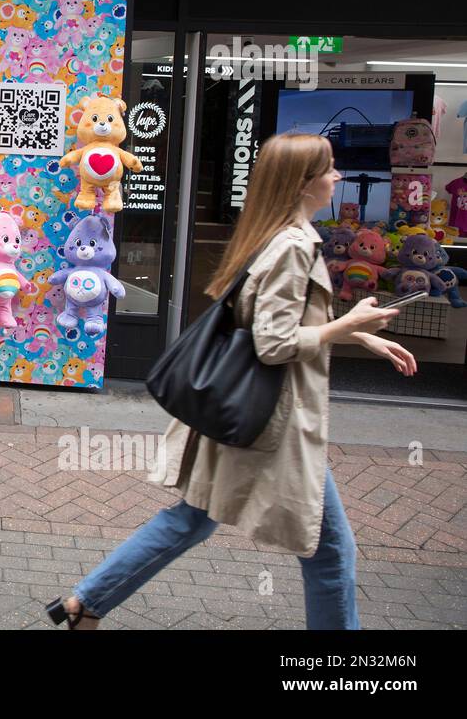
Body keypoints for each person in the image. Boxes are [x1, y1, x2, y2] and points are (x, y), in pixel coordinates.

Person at [46, 133, 417, 630]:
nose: (338, 177)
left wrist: (357, 335)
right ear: (304, 183)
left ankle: (84, 604)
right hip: (268, 419)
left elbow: (272, 321)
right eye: (329, 170)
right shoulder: (293, 245)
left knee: (194, 520)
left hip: (245, 411)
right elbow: (273, 343)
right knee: (329, 551)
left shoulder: (276, 232)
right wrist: (345, 328)